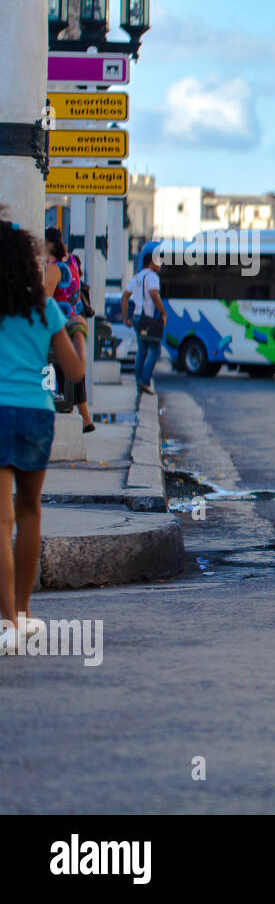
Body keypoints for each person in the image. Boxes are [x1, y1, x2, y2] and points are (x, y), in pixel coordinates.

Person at [0, 216, 86, 654]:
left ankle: (6, 625)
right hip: (36, 413)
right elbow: (74, 372)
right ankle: (26, 611)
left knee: (0, 520)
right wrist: (79, 334)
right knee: (30, 511)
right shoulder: (45, 307)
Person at [43, 230, 93, 433]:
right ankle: (85, 417)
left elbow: (45, 298)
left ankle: (70, 407)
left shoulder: (54, 269)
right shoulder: (72, 260)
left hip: (60, 323)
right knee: (75, 371)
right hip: (75, 321)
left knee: (59, 367)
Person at [122, 244, 166, 395]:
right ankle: (144, 380)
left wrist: (126, 317)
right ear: (151, 263)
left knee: (142, 350)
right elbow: (154, 294)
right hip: (148, 318)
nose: (160, 264)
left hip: (137, 317)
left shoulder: (137, 277)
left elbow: (125, 297)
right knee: (155, 350)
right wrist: (163, 312)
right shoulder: (152, 277)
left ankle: (138, 381)